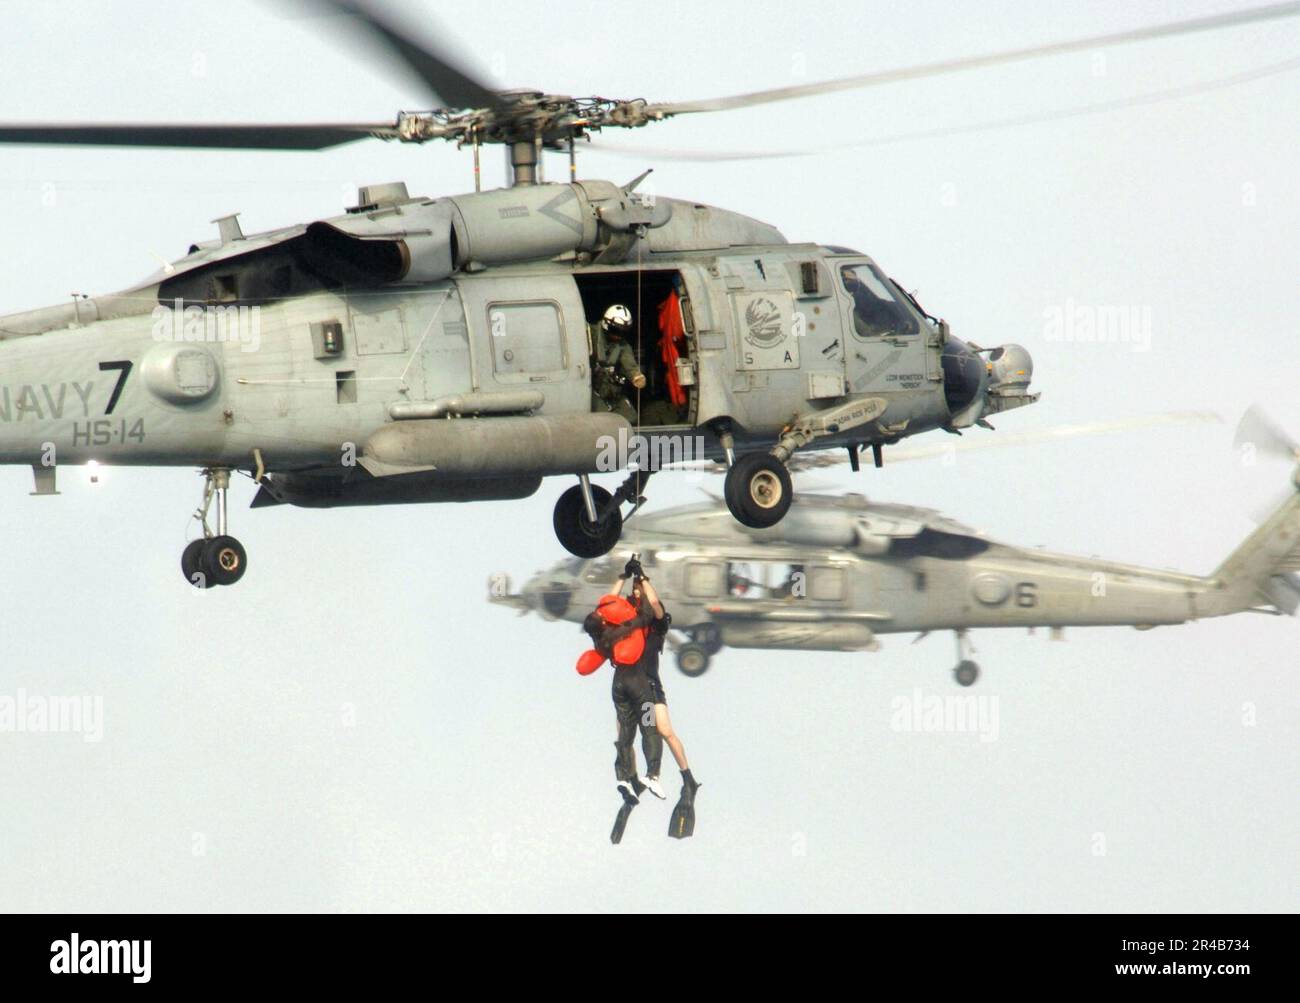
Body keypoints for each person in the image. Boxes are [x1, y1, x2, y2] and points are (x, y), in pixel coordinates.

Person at [591, 556, 701, 838]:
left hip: (651, 686)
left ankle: (687, 779)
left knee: (663, 731)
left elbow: (656, 607)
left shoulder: (655, 625)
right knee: (623, 733)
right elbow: (604, 606)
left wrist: (642, 577)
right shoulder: (625, 625)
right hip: (629, 686)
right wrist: (623, 575)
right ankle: (630, 780)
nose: (635, 598)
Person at [590, 304, 646, 424]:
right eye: (616, 331)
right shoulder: (591, 335)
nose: (618, 335)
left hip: (610, 389)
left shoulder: (623, 346)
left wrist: (636, 375)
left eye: (623, 332)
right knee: (604, 421)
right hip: (591, 389)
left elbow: (629, 363)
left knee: (631, 418)